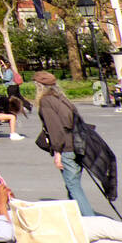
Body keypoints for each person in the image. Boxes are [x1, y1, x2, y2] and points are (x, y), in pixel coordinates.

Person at [35, 70, 94, 216]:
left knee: (73, 185)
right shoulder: (61, 98)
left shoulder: (46, 101)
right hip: (78, 143)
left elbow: (55, 129)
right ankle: (75, 214)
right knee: (72, 183)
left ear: (39, 86)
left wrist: (57, 153)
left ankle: (89, 218)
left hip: (66, 147)